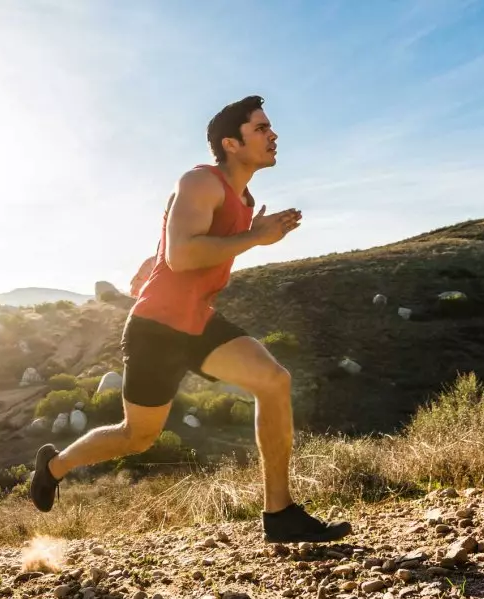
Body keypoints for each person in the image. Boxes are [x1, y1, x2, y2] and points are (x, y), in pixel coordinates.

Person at [28, 95, 352, 543]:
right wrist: (254, 237)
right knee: (137, 437)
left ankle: (279, 514)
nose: (273, 135)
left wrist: (157, 257)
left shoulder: (243, 195)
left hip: (198, 321)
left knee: (273, 380)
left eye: (269, 127)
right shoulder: (202, 180)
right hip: (156, 328)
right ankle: (54, 465)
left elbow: (173, 236)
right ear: (231, 143)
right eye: (261, 129)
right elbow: (182, 255)